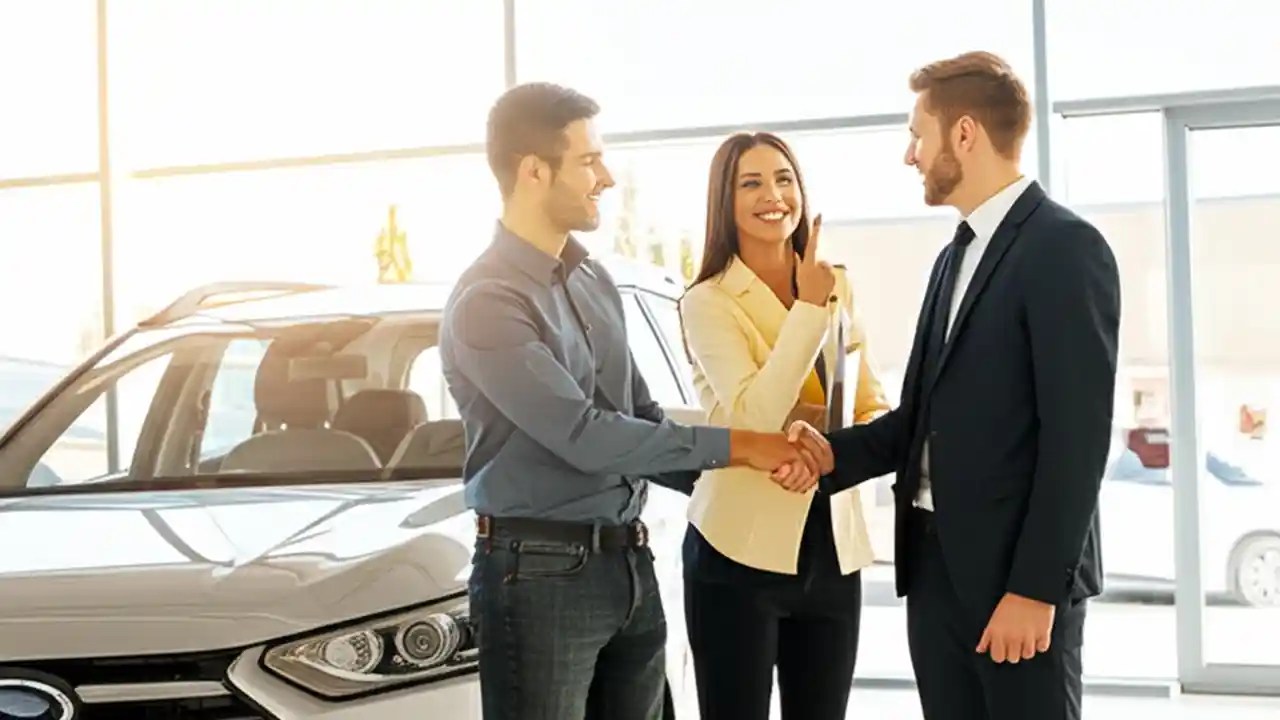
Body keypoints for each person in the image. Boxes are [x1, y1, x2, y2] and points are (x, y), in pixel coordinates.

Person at [439, 82, 820, 720]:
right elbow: (587, 435)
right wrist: (746, 446)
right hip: (538, 576)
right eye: (589, 161)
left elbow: (641, 420)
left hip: (629, 565)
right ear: (534, 171)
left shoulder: (593, 282)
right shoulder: (488, 302)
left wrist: (764, 467)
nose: (606, 178)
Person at [790, 51, 1121, 720]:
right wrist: (835, 456)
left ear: (963, 134)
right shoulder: (952, 258)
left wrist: (1035, 589)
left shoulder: (1065, 247)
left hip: (1015, 581)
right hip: (937, 572)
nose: (910, 155)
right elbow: (924, 416)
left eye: (919, 134)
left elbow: (1077, 440)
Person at [676, 131, 891, 720]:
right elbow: (753, 416)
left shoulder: (835, 284)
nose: (773, 195)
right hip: (736, 554)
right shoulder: (709, 301)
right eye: (751, 183)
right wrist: (806, 308)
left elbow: (869, 404)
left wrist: (823, 451)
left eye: (784, 179)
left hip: (832, 549)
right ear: (726, 200)